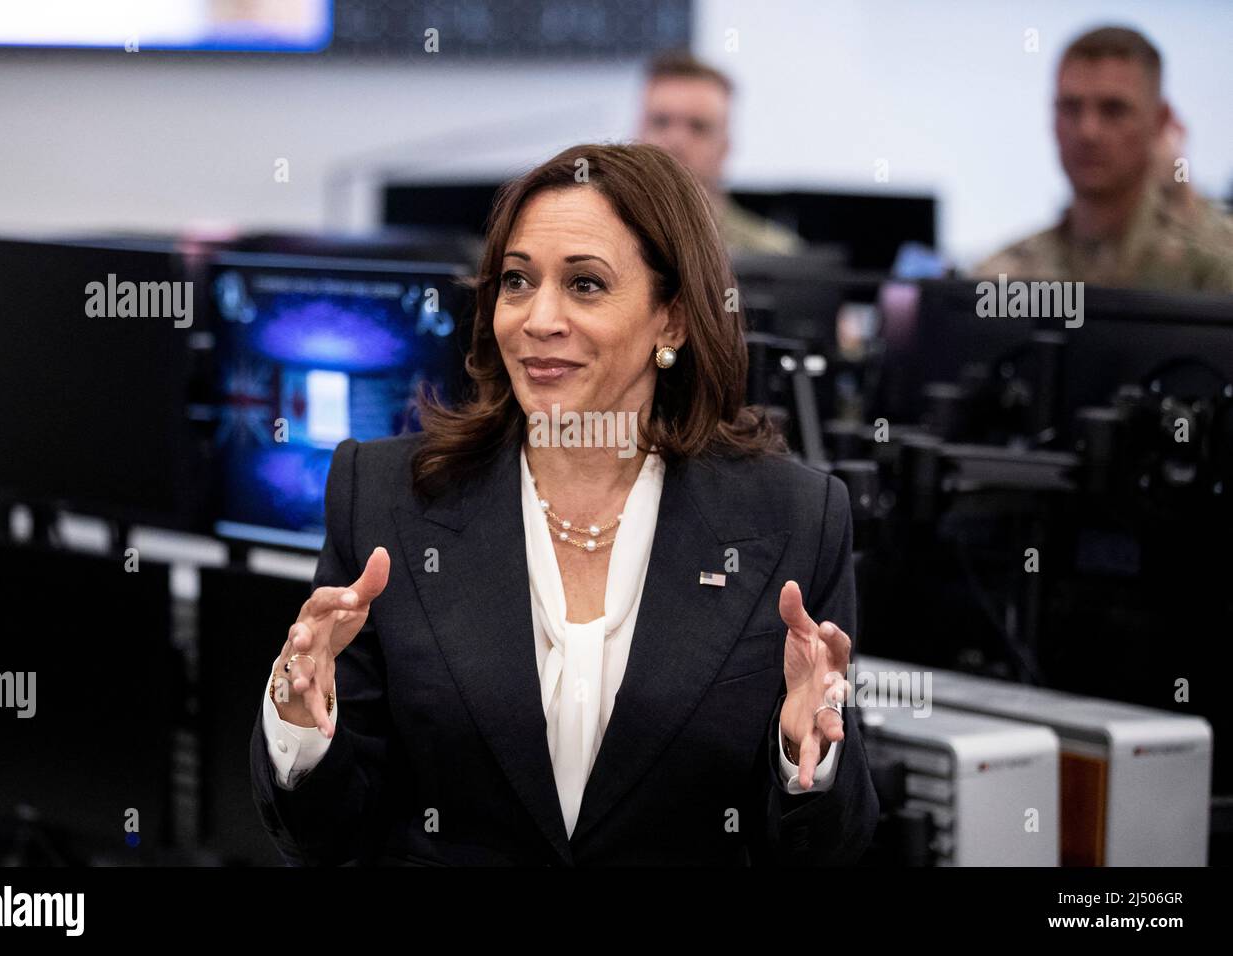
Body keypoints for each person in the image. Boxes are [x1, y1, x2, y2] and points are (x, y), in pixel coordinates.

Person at [249, 142, 878, 866]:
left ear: (670, 321)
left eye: (585, 285)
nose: (538, 318)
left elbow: (832, 851)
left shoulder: (794, 518)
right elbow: (327, 835)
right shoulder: (385, 496)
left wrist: (803, 756)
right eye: (517, 282)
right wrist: (298, 723)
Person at [972, 26, 1233, 293]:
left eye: (1114, 110)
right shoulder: (1002, 281)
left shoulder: (1213, 265)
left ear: (1160, 120)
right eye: (1071, 108)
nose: (1088, 132)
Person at [637, 50, 804, 256]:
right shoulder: (602, 238)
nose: (676, 142)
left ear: (726, 146)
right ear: (637, 133)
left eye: (698, 127)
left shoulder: (775, 255)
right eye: (661, 122)